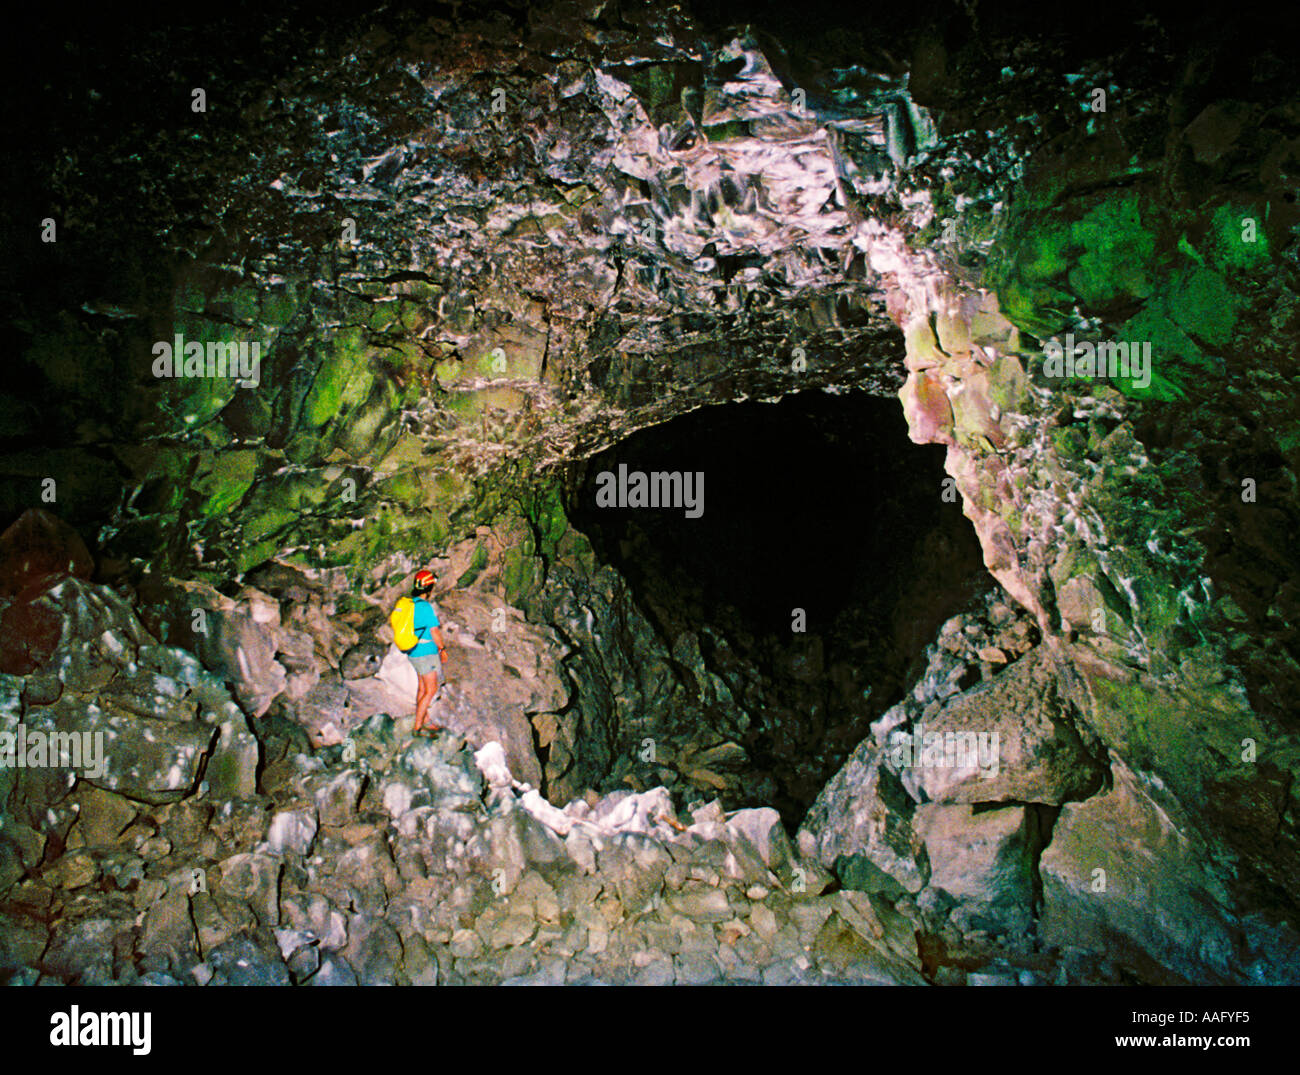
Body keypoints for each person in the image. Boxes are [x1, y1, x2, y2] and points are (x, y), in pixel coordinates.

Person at [407, 569, 448, 737]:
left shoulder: (411, 603)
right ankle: (417, 727)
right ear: (429, 588)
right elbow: (435, 632)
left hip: (414, 651)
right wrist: (442, 650)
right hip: (426, 652)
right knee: (430, 690)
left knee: (422, 688)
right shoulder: (425, 607)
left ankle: (425, 720)